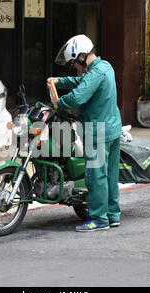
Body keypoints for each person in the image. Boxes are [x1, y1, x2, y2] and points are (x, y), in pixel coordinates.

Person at [47, 34, 123, 232]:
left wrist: (58, 103)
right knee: (110, 176)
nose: (74, 66)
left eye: (74, 62)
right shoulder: (104, 66)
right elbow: (81, 81)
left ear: (82, 55)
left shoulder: (94, 74)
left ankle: (98, 219)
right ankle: (113, 215)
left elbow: (77, 96)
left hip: (97, 131)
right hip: (113, 129)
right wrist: (59, 82)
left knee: (95, 177)